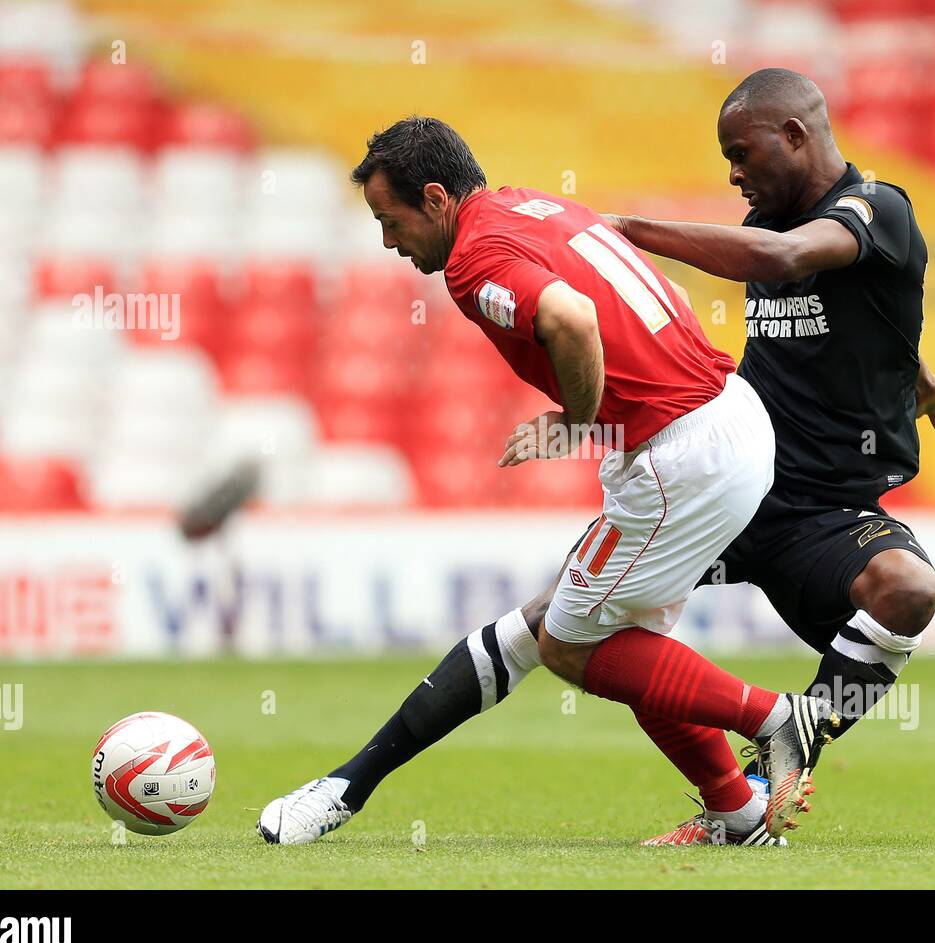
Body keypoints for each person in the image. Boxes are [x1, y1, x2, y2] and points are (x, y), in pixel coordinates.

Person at [258, 114, 838, 847]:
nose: (387, 240)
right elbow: (656, 296)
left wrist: (575, 417)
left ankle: (774, 719)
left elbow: (572, 317)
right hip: (726, 417)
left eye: (390, 219)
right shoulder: (536, 205)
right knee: (619, 641)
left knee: (567, 643)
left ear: (436, 198)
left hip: (682, 451)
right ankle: (737, 812)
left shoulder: (474, 257)